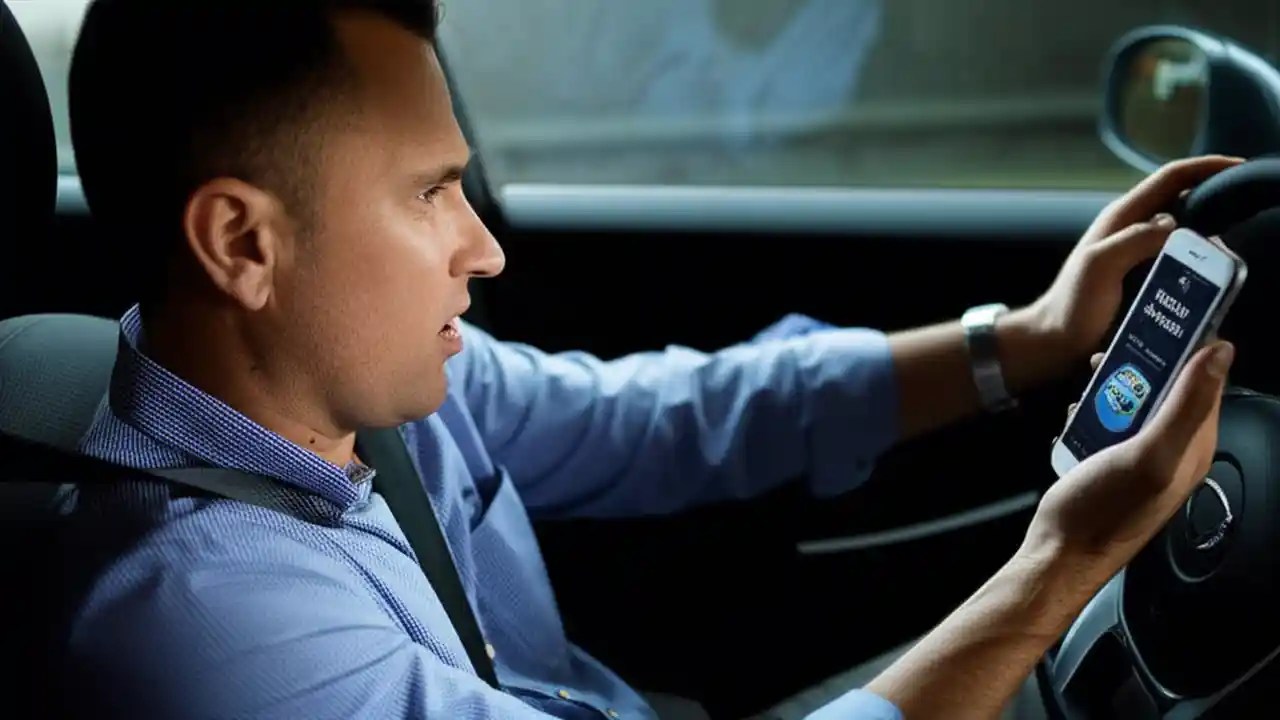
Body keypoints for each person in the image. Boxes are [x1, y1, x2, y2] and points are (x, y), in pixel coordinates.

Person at [56, 1, 1240, 718]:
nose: (481, 250)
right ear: (242, 244)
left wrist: (1023, 336)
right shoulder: (204, 631)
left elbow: (666, 416)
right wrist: (1061, 565)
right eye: (429, 193)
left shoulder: (374, 386)